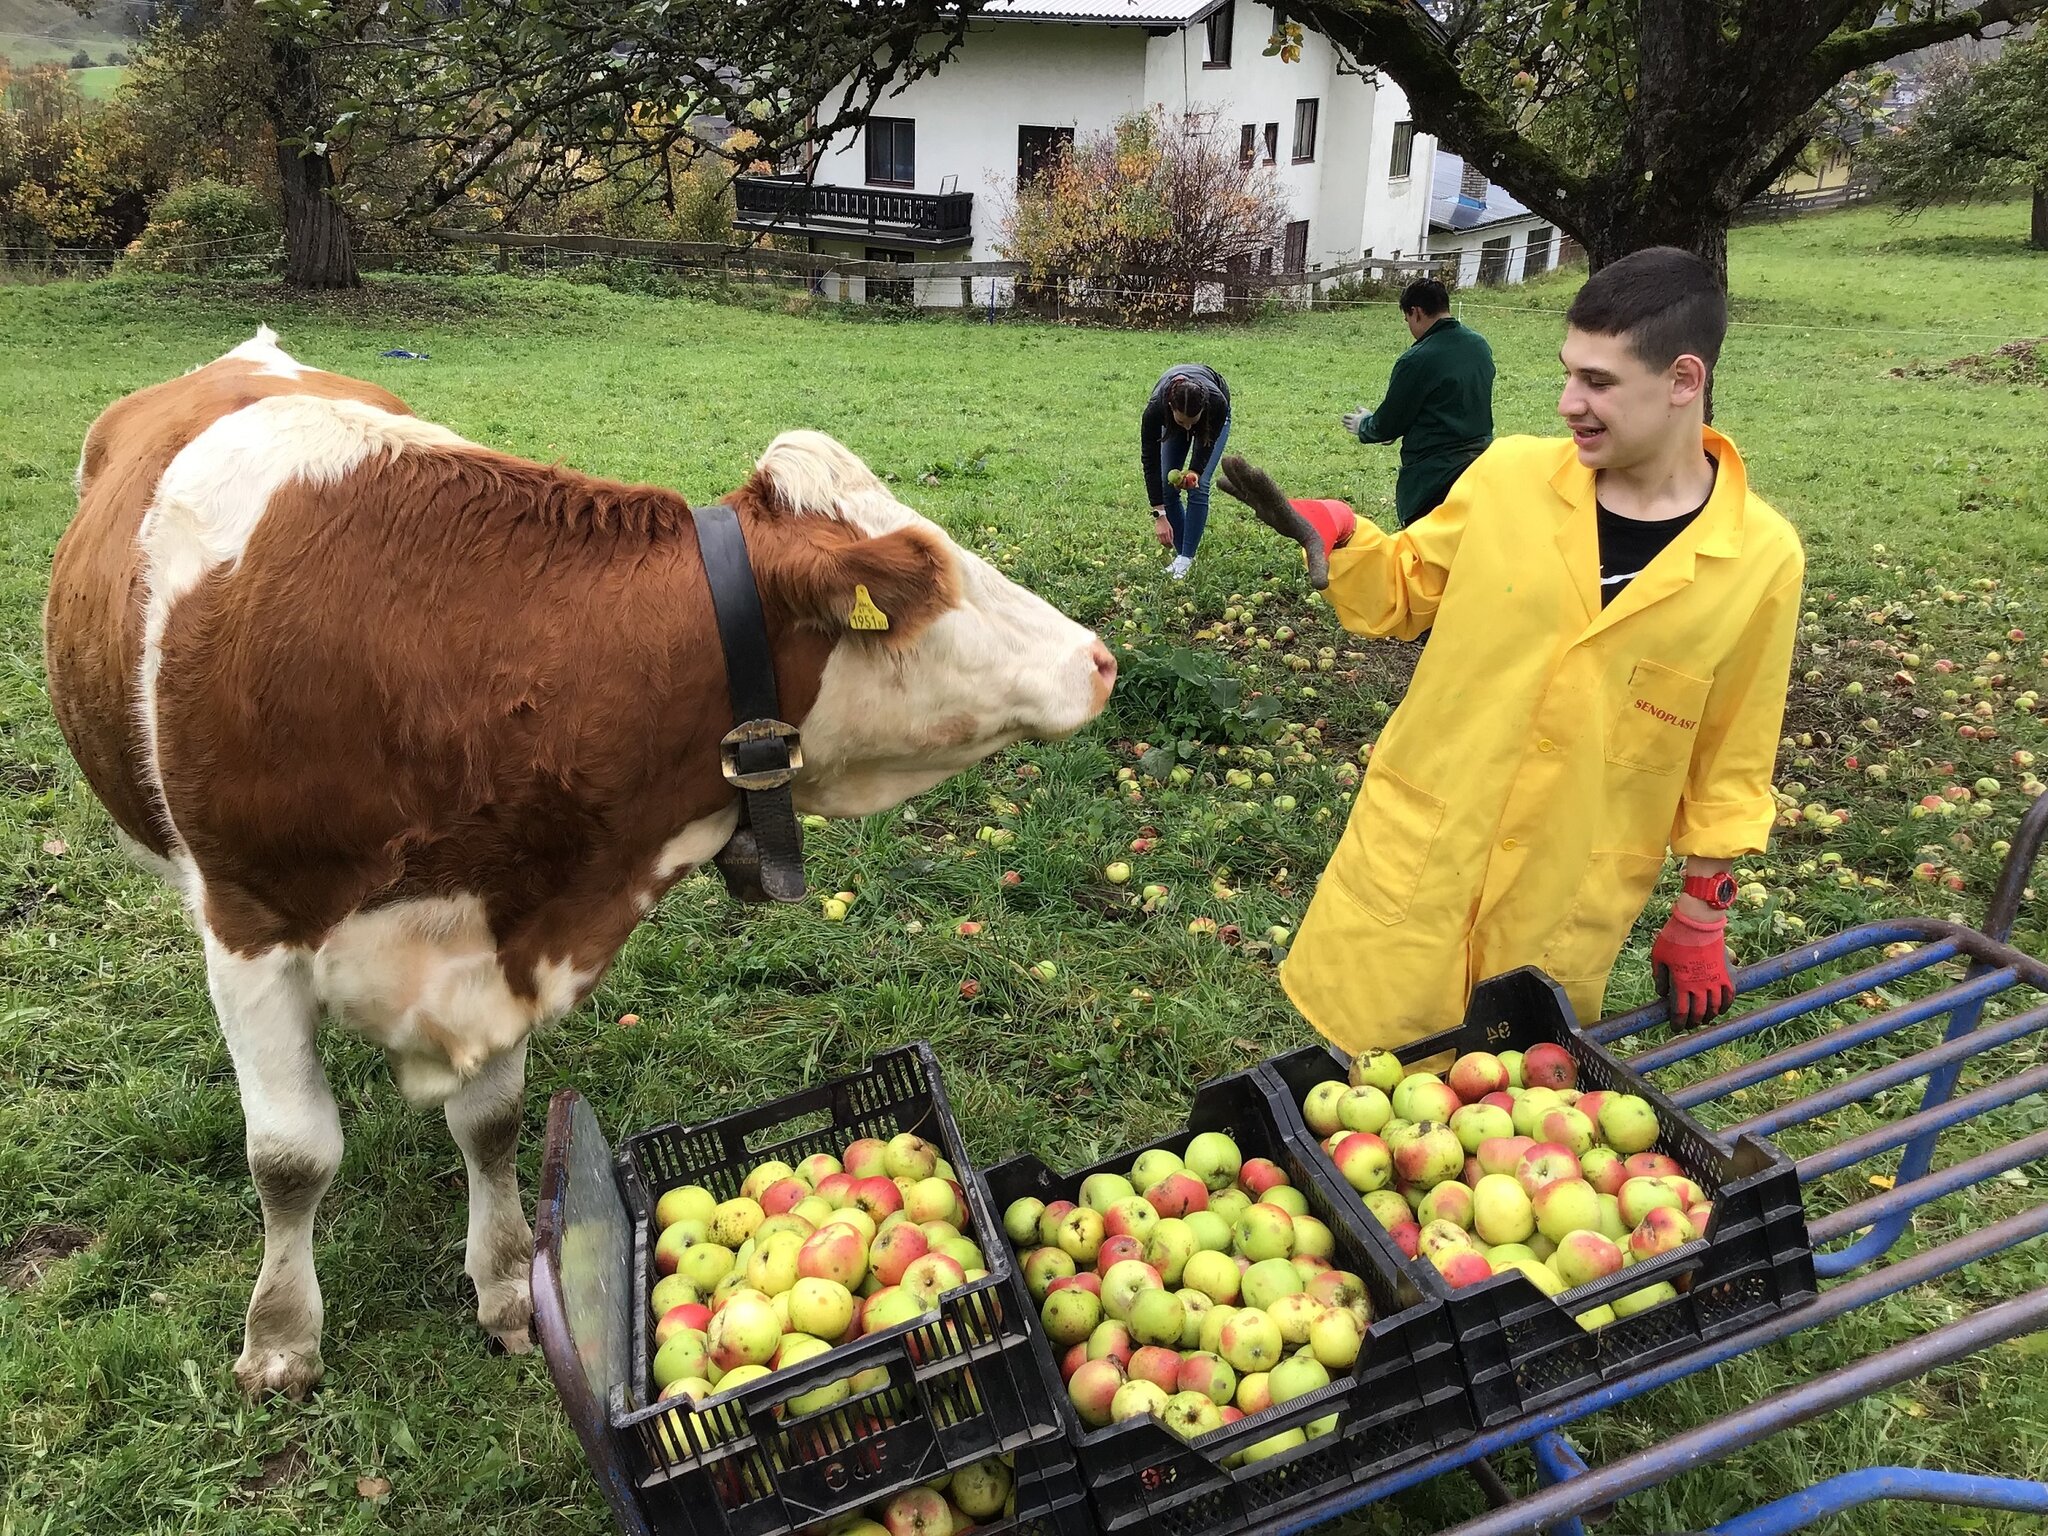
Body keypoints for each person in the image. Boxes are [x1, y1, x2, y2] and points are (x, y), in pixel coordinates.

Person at [1231, 246, 1803, 1050]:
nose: (1569, 403)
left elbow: (1732, 753)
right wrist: (1338, 532)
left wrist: (1705, 909)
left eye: (1599, 383)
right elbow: (1404, 587)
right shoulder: (1508, 478)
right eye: (1568, 373)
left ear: (1683, 380)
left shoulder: (1761, 557)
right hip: (1426, 861)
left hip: (1561, 899)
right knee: (1367, 1093)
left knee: (1509, 1103)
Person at [1342, 279, 1495, 527]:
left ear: (1416, 311)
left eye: (1407, 320)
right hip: (1482, 466)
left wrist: (1365, 425)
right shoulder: (1479, 346)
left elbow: (1388, 423)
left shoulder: (1416, 359)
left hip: (1434, 478)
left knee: (1426, 554)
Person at [1141, 364, 1231, 579]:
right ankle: (1182, 557)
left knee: (1199, 487)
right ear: (1171, 407)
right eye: (1183, 421)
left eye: (1193, 421)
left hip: (1212, 420)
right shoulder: (1155, 410)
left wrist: (1195, 472)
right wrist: (1159, 514)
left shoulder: (1216, 403)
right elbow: (1150, 460)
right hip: (1171, 418)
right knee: (1167, 484)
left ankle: (1186, 558)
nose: (1188, 428)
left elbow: (1204, 448)